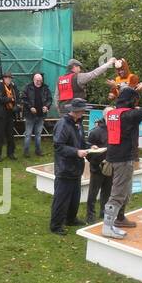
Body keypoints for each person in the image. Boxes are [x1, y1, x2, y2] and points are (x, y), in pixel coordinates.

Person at [101, 84, 142, 239]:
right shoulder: (130, 115)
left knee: (123, 192)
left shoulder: (113, 113)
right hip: (123, 158)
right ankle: (107, 227)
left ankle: (118, 220)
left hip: (114, 156)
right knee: (118, 193)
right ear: (131, 100)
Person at [50, 99, 91, 234]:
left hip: (76, 168)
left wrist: (90, 147)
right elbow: (58, 146)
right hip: (65, 169)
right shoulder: (63, 124)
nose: (84, 112)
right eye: (83, 110)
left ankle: (70, 219)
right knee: (61, 199)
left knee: (75, 197)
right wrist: (76, 152)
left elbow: (81, 142)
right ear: (76, 111)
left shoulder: (78, 123)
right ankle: (56, 225)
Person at [85, 115, 113, 225]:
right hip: (97, 166)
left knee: (107, 191)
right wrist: (95, 162)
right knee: (93, 192)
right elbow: (88, 149)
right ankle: (90, 215)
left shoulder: (115, 130)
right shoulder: (95, 132)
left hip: (111, 165)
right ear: (106, 117)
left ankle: (103, 212)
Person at [21, 72, 52, 157]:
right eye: (37, 80)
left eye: (40, 80)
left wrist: (47, 106)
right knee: (28, 134)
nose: (39, 82)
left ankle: (38, 150)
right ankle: (26, 152)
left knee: (38, 134)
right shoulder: (28, 87)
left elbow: (50, 99)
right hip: (29, 115)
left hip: (41, 115)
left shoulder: (45, 88)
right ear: (34, 80)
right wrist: (30, 107)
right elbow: (23, 99)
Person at [0, 72, 19, 162]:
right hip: (0, 114)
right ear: (4, 78)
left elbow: (17, 96)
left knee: (10, 135)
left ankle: (10, 153)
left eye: (11, 78)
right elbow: (0, 99)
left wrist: (16, 103)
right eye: (8, 78)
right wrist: (11, 99)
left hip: (10, 113)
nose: (10, 80)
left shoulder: (13, 87)